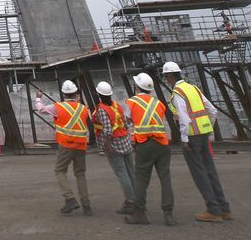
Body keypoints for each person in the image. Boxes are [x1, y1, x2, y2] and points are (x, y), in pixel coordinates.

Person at [161, 61, 232, 223]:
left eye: (166, 77)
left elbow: (184, 117)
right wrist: (208, 128)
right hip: (203, 133)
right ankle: (224, 209)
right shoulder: (193, 88)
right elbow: (212, 110)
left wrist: (184, 139)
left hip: (191, 137)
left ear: (170, 76)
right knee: (210, 170)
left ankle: (213, 210)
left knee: (199, 173)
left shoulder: (177, 92)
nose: (166, 80)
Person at [34, 79, 92, 216]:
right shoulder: (84, 108)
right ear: (76, 94)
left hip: (66, 145)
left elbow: (41, 109)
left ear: (64, 94)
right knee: (80, 174)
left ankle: (69, 198)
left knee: (60, 171)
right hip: (81, 145)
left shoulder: (58, 107)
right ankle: (86, 205)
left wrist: (38, 98)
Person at [124, 73, 175, 226]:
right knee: (165, 178)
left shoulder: (132, 101)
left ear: (136, 87)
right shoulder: (159, 103)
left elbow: (128, 120)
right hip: (163, 144)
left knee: (141, 179)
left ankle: (139, 213)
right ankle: (168, 214)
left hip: (145, 143)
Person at [92, 80, 136, 215]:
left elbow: (107, 130)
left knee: (122, 173)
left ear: (99, 94)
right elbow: (124, 123)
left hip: (114, 144)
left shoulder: (102, 109)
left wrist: (107, 146)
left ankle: (131, 202)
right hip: (125, 142)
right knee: (131, 172)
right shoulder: (117, 106)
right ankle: (138, 199)